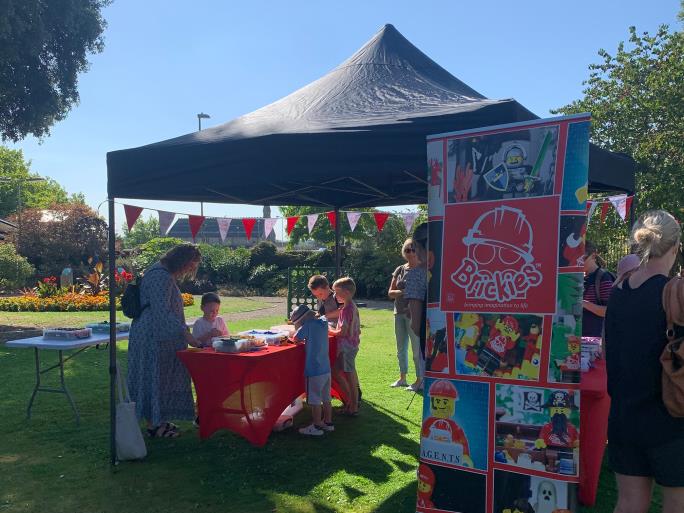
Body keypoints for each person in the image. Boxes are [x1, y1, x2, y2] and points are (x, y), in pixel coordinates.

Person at [605, 210, 684, 513]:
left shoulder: (618, 291)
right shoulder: (675, 291)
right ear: (675, 247)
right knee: (677, 502)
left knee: (628, 502)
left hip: (624, 416)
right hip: (670, 417)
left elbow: (606, 345)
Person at [127, 243, 202, 438]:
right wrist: (187, 334)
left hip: (152, 332)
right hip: (153, 336)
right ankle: (154, 426)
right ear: (181, 261)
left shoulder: (159, 272)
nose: (190, 270)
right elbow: (163, 313)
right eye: (190, 265)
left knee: (156, 377)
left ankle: (157, 419)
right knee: (154, 376)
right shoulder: (161, 276)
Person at [290, 304, 334, 436]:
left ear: (300, 321)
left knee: (314, 400)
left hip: (314, 370)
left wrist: (299, 332)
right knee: (326, 398)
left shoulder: (307, 325)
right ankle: (328, 423)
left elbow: (296, 338)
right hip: (326, 369)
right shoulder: (323, 322)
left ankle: (316, 426)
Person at [388, 238, 425, 390]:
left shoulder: (424, 269)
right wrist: (403, 292)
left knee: (417, 350)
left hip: (415, 315)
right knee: (400, 349)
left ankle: (419, 380)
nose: (410, 253)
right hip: (399, 313)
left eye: (413, 249)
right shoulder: (400, 269)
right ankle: (402, 378)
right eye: (407, 250)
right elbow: (390, 292)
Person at [329, 277, 361, 416]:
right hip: (349, 347)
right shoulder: (351, 306)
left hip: (347, 348)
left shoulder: (347, 309)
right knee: (336, 371)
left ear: (347, 292)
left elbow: (343, 332)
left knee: (348, 375)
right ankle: (349, 401)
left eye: (337, 292)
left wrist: (328, 330)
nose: (335, 296)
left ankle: (353, 405)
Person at [582, 241, 614, 337]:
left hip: (596, 338)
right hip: (579, 337)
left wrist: (584, 304)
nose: (579, 263)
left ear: (593, 256)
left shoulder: (603, 277)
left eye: (583, 259)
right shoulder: (580, 278)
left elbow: (609, 311)